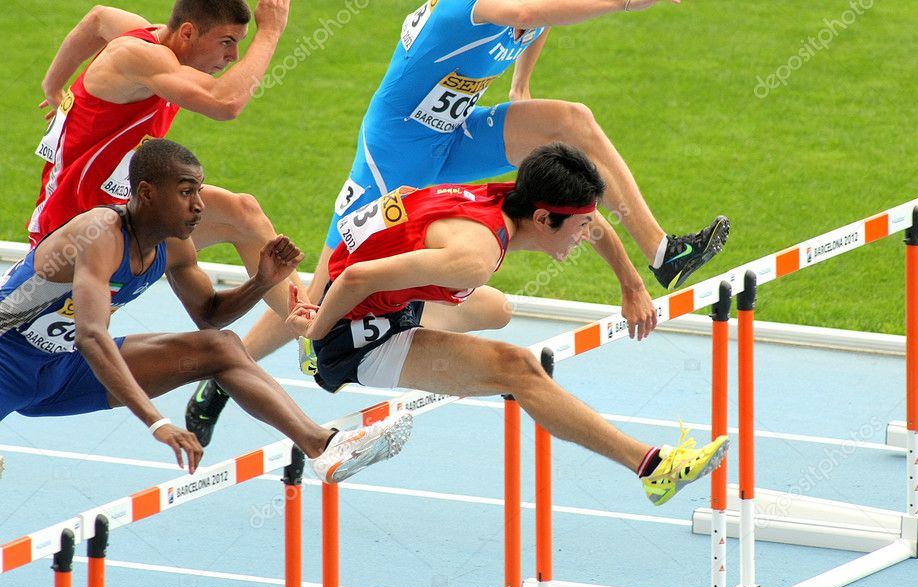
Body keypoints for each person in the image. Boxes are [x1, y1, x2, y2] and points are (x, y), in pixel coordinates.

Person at [187, 0, 731, 438]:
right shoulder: (463, 8)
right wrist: (621, 4)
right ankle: (225, 375)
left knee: (572, 121)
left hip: (455, 133)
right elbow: (523, 18)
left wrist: (521, 87)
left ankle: (663, 252)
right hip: (396, 148)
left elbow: (533, 26)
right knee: (323, 283)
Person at [283, 143, 728, 506]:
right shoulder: (473, 258)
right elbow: (357, 278)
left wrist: (631, 286)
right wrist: (315, 331)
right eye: (576, 227)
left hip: (391, 296)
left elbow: (594, 224)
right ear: (541, 219)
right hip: (352, 331)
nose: (582, 236)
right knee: (519, 370)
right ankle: (653, 468)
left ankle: (374, 329)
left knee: (498, 311)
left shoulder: (508, 197)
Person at [0, 139, 411, 483]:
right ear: (146, 193)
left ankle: (326, 446)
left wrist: (261, 281)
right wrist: (157, 422)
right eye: (185, 192)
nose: (198, 205)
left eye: (198, 191)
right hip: (7, 363)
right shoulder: (100, 234)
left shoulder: (173, 245)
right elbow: (92, 334)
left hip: (62, 369)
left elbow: (210, 315)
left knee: (223, 347)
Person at [30, 1, 308, 366]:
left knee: (243, 213)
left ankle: (313, 332)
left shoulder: (146, 35)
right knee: (41, 359)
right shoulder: (136, 56)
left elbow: (97, 18)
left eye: (239, 42)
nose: (233, 55)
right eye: (226, 41)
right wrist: (270, 32)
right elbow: (223, 102)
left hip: (132, 217)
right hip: (77, 237)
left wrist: (54, 85)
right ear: (189, 32)